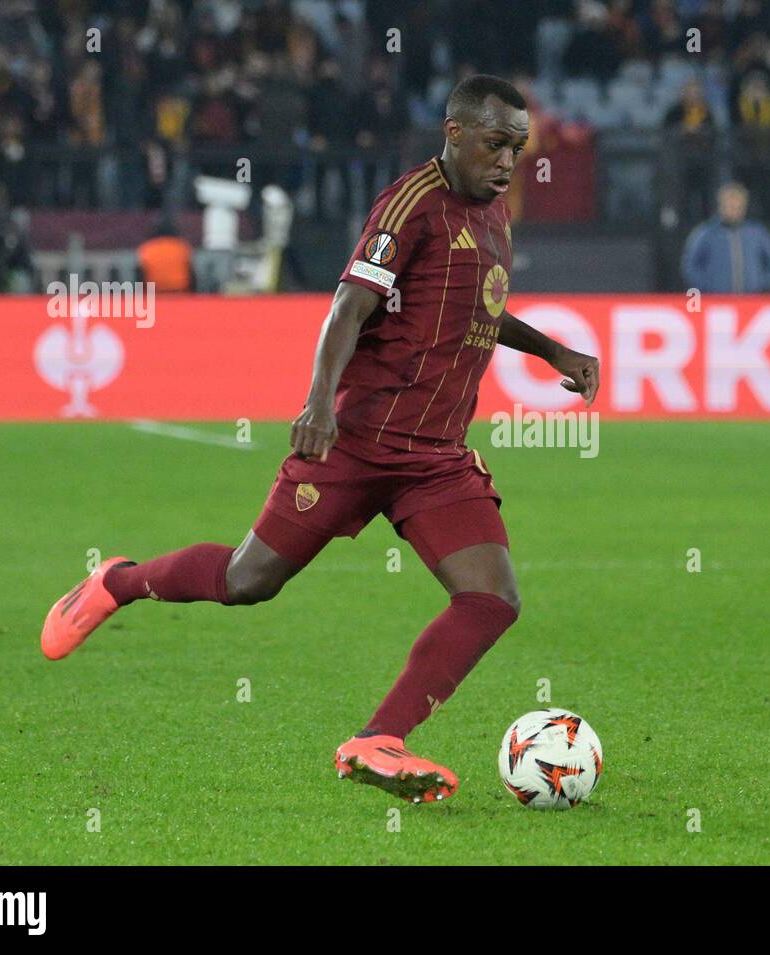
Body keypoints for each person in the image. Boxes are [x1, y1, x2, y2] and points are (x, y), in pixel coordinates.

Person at [39, 75, 601, 805]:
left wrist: (553, 350)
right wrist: (317, 404)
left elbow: (475, 307)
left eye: (518, 149)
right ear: (454, 132)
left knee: (492, 598)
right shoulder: (412, 204)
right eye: (496, 143)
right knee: (249, 580)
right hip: (359, 440)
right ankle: (117, 581)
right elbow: (348, 305)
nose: (507, 162)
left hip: (435, 459)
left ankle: (379, 738)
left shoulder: (494, 216)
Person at [681, 182, 770, 292]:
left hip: (750, 300)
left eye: (738, 207)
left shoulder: (757, 233)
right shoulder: (705, 233)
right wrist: (708, 286)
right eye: (730, 206)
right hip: (717, 301)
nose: (734, 211)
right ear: (721, 206)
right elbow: (690, 265)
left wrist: (760, 283)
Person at [136, 217, 194, 292]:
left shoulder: (146, 249)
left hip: (154, 292)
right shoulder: (182, 247)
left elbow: (140, 275)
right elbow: (191, 273)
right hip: (179, 291)